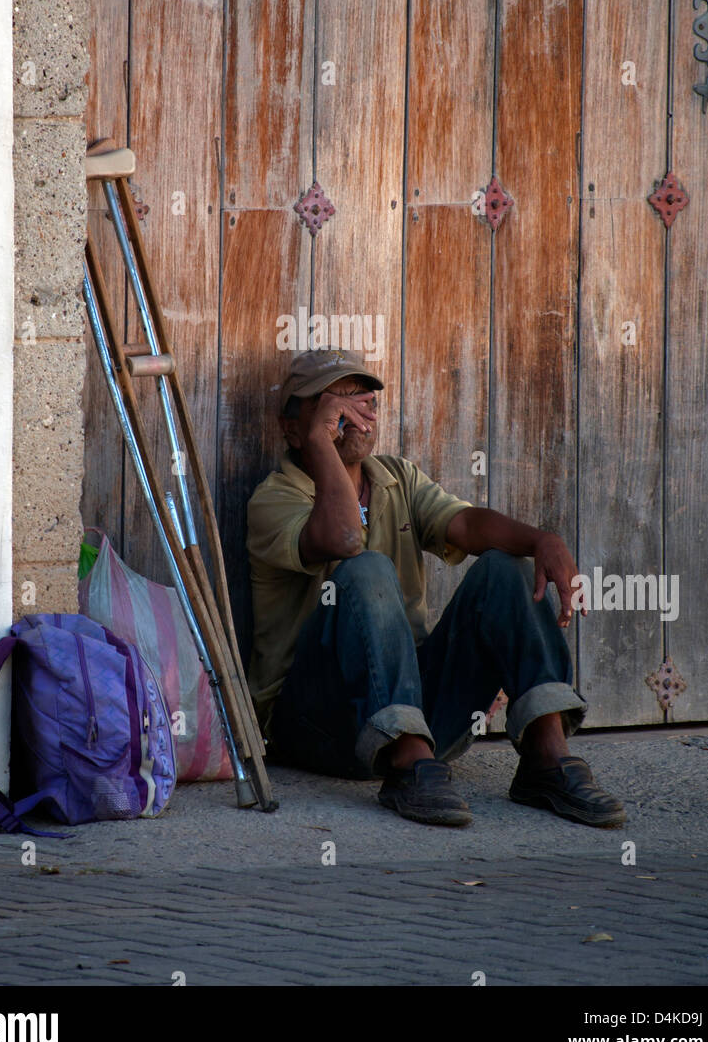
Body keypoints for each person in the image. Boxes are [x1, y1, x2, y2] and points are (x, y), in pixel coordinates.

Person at [246, 347, 626, 829]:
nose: (352, 414)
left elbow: (465, 525)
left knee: (503, 569)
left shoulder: (396, 477)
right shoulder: (274, 499)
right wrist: (320, 445)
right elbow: (343, 539)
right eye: (330, 404)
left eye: (363, 401)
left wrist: (542, 541)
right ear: (292, 426)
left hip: (417, 713)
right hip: (316, 725)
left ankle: (544, 756)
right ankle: (406, 763)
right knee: (366, 569)